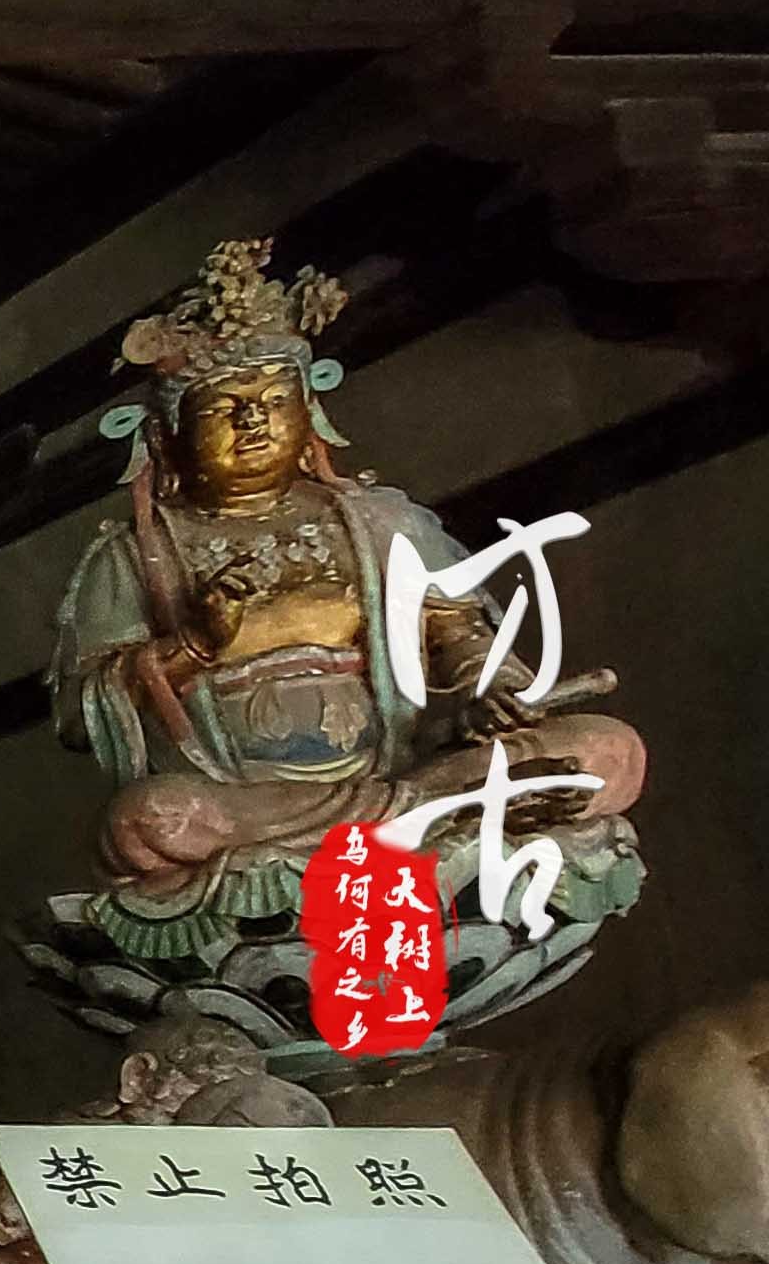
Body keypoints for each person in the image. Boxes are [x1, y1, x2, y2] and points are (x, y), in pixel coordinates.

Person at [50, 237, 643, 957]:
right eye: (224, 409)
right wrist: (196, 645)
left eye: (274, 401)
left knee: (607, 751)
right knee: (144, 823)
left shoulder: (377, 520)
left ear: (310, 414)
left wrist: (486, 689)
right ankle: (425, 821)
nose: (252, 422)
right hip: (253, 802)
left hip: (402, 766)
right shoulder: (134, 554)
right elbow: (85, 710)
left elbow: (456, 631)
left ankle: (407, 813)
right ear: (168, 437)